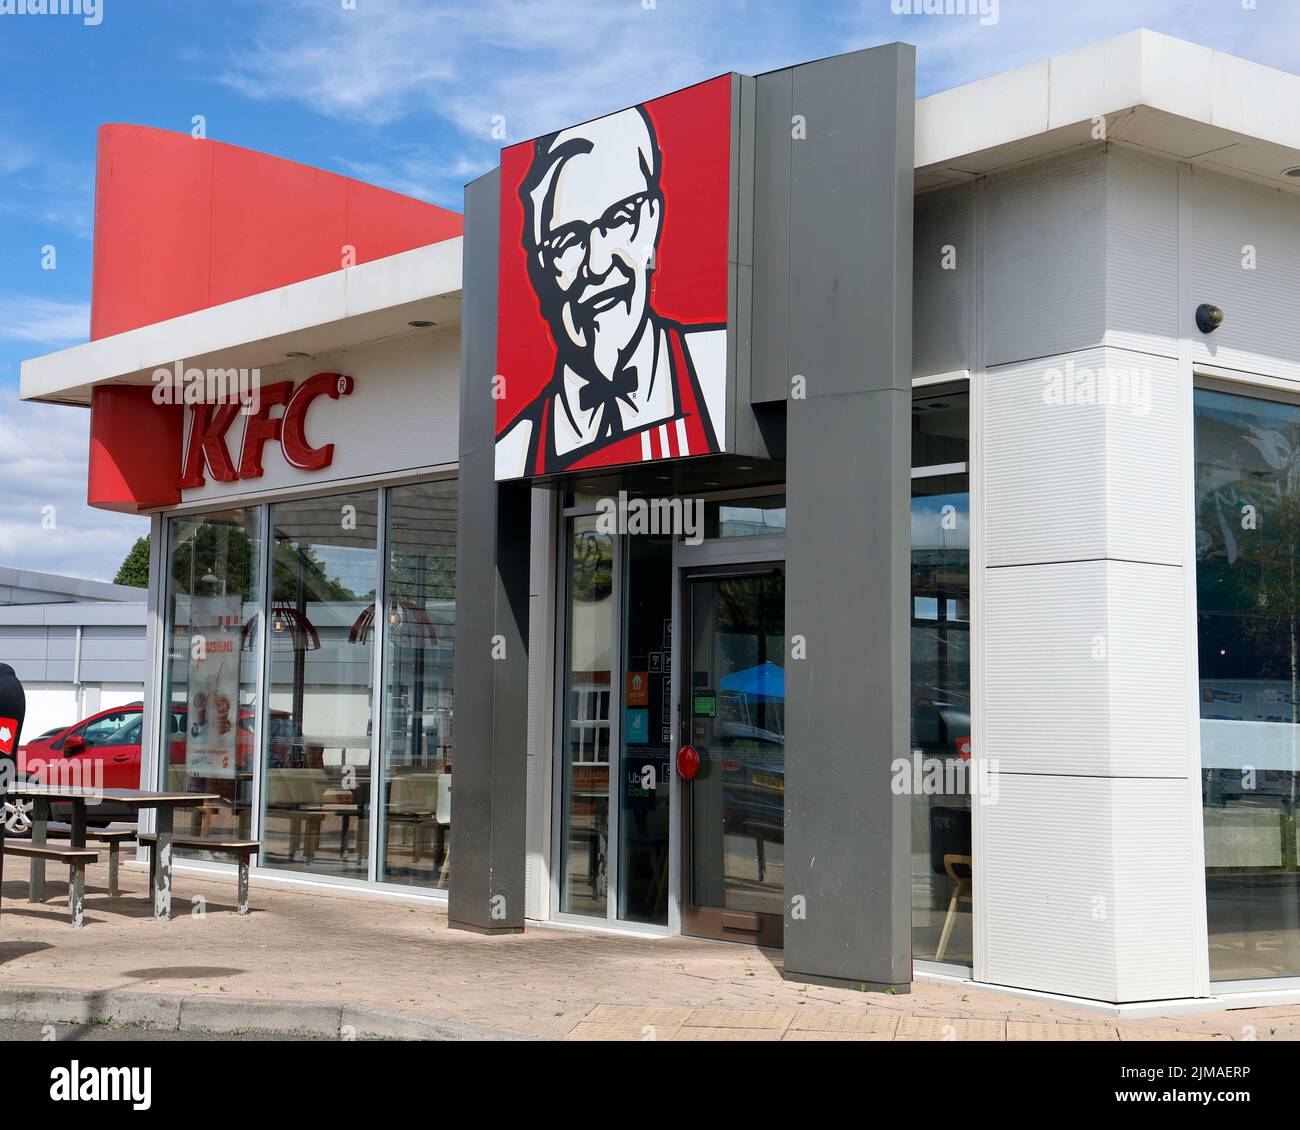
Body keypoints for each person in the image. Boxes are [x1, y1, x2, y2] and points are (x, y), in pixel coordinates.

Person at [496, 105, 725, 478]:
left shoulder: (720, 374)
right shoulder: (514, 451)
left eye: (619, 219)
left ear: (652, 223)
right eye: (567, 240)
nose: (598, 265)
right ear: (540, 269)